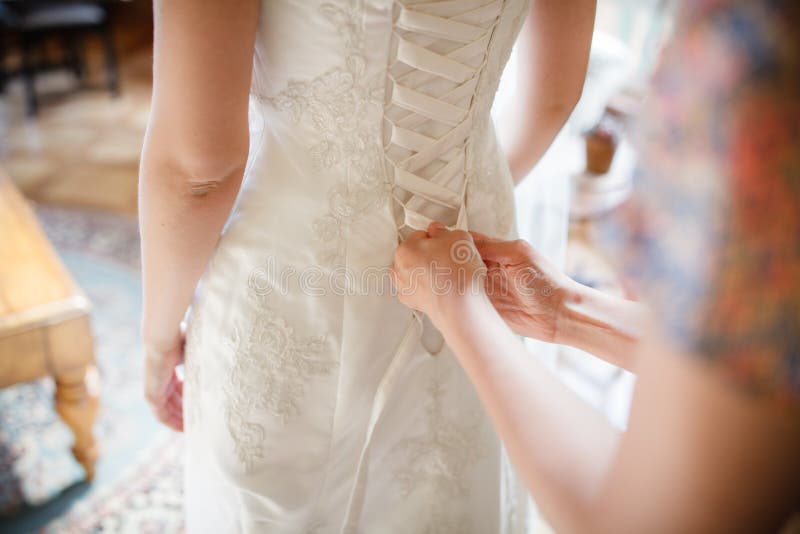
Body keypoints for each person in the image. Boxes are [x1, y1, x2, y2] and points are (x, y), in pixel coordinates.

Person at [138, 0, 596, 531]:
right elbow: (552, 99)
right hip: (473, 260)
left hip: (295, 274)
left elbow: (198, 168)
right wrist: (452, 223)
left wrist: (156, 341)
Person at [392, 1, 800, 531]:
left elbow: (654, 521)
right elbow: (771, 358)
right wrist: (568, 310)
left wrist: (459, 309)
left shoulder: (756, 62)